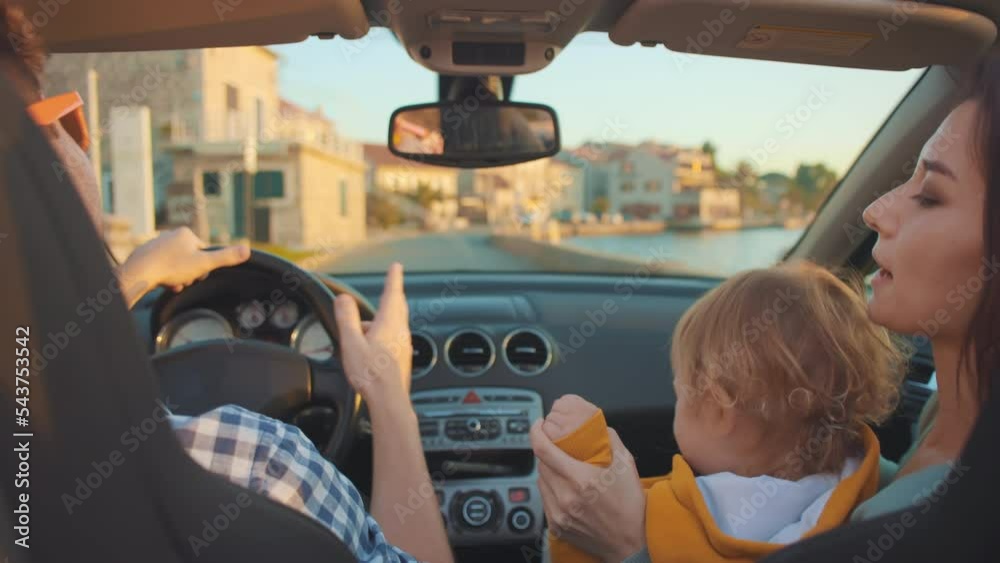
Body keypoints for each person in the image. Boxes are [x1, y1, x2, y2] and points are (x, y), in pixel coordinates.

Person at [1, 4, 452, 562]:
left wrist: (134, 277)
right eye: (63, 121)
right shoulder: (262, 464)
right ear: (27, 165)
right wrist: (386, 396)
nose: (81, 141)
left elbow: (28, 375)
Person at [529, 52, 1000, 562]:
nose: (874, 210)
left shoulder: (949, 516)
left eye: (930, 196)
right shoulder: (953, 418)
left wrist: (629, 544)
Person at [536, 263, 904, 563]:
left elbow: (584, 543)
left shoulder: (703, 516)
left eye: (680, 391)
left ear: (721, 409)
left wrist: (587, 449)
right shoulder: (874, 488)